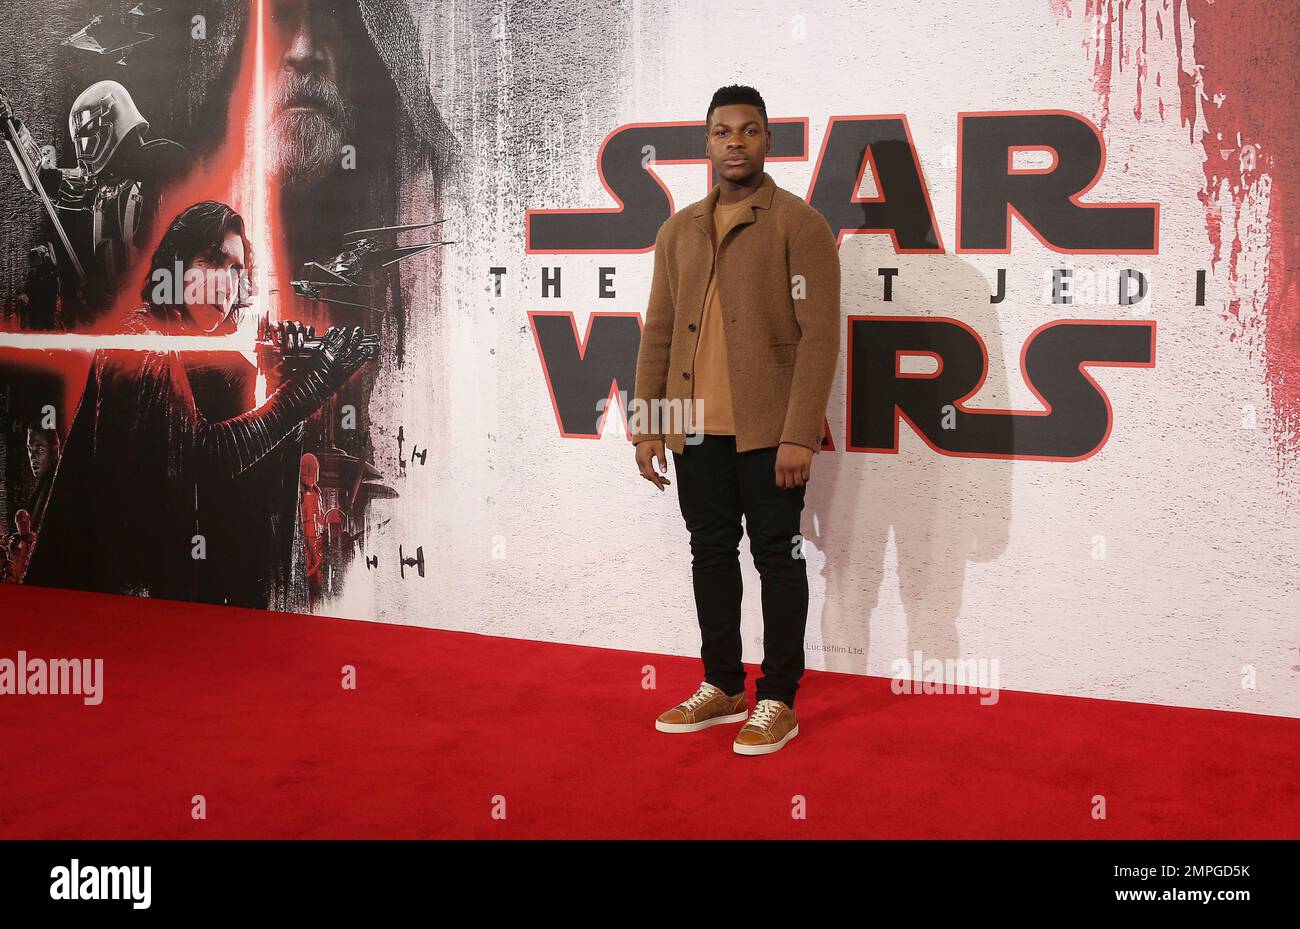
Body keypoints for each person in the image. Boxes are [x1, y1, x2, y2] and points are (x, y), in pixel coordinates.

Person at [22, 200, 375, 606]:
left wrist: (282, 379)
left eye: (236, 271)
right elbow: (200, 456)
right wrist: (307, 388)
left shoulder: (190, 358)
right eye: (211, 260)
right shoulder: (142, 344)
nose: (225, 284)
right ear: (175, 264)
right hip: (96, 615)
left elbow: (229, 496)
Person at [632, 85, 841, 756]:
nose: (735, 143)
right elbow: (658, 331)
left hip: (769, 430)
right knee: (710, 552)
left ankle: (777, 697)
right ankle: (722, 686)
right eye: (723, 131)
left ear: (767, 142)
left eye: (749, 131)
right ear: (707, 142)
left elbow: (820, 338)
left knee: (776, 557)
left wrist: (799, 432)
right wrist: (648, 424)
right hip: (693, 426)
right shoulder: (678, 231)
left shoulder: (799, 225)